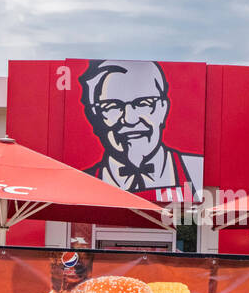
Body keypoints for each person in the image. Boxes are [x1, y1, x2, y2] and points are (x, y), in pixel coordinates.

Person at [77, 60, 203, 196]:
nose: (130, 119)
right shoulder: (79, 187)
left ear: (163, 109)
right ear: (94, 116)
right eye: (112, 106)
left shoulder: (196, 170)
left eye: (144, 103)